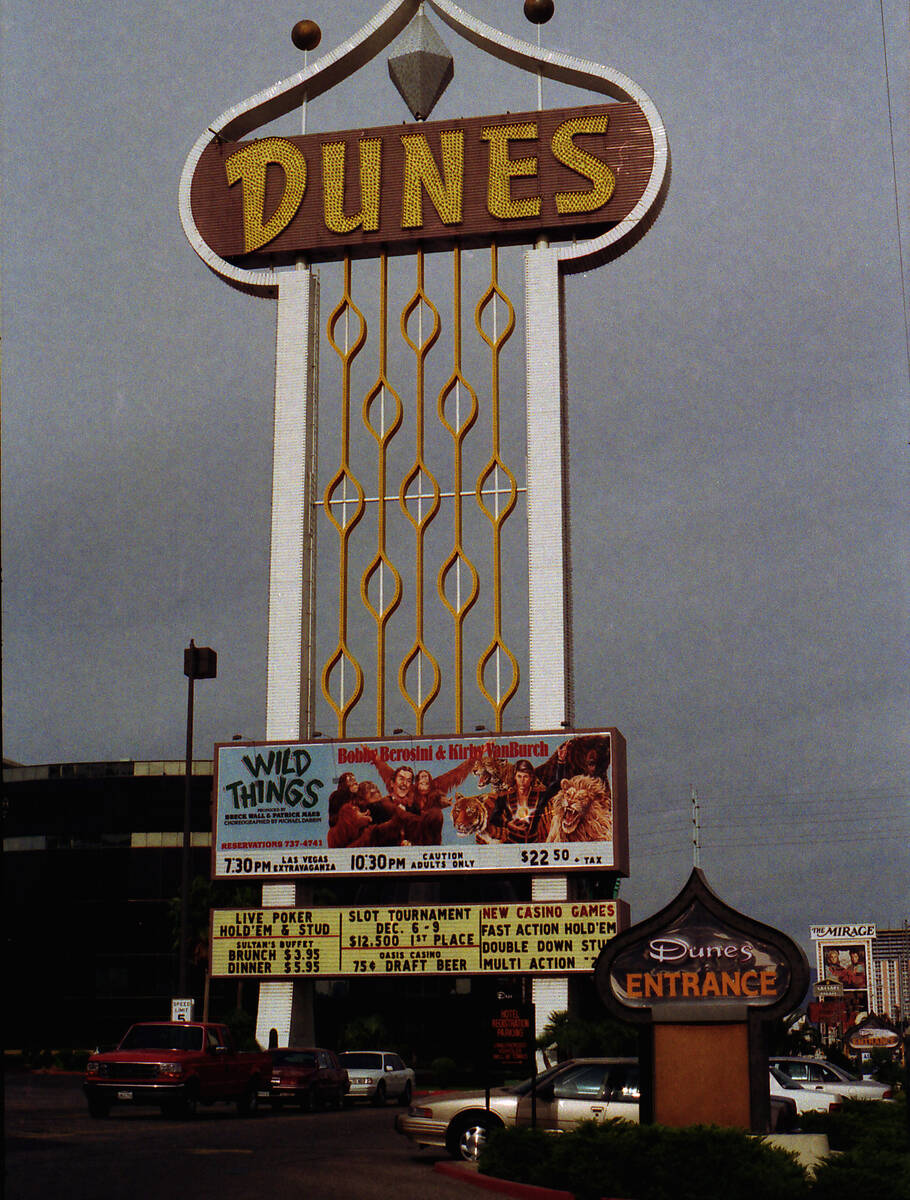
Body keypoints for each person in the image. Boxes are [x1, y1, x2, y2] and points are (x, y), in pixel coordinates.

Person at [481, 759, 548, 843]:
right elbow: (495, 819)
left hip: (534, 844)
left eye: (525, 776)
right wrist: (507, 824)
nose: (522, 781)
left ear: (531, 778)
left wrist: (561, 761)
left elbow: (556, 785)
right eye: (519, 776)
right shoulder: (504, 797)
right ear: (515, 777)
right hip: (512, 844)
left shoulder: (541, 796)